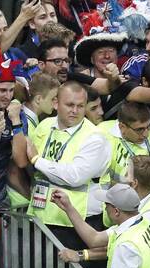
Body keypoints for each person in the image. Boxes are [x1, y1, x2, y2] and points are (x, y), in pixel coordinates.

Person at [25, 79, 108, 244]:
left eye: (80, 106)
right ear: (56, 103)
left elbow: (75, 176)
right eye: (70, 105)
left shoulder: (94, 137)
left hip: (78, 221)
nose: (75, 111)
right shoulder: (45, 125)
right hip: (42, 214)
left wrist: (37, 160)